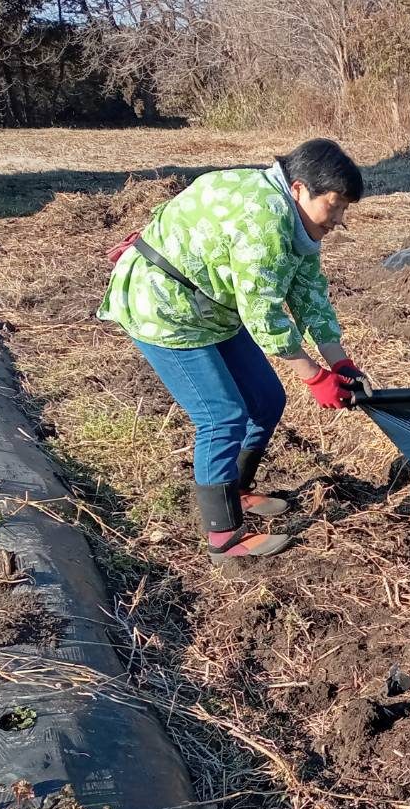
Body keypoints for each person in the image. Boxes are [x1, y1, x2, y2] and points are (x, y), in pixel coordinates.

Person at [98, 138, 368, 561]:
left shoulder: (296, 219)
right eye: (333, 206)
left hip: (210, 305)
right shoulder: (264, 219)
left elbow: (308, 291)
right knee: (220, 416)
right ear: (299, 188)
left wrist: (340, 362)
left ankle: (236, 489)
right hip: (163, 306)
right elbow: (263, 313)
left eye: (344, 209)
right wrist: (315, 376)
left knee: (266, 399)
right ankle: (223, 538)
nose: (338, 219)